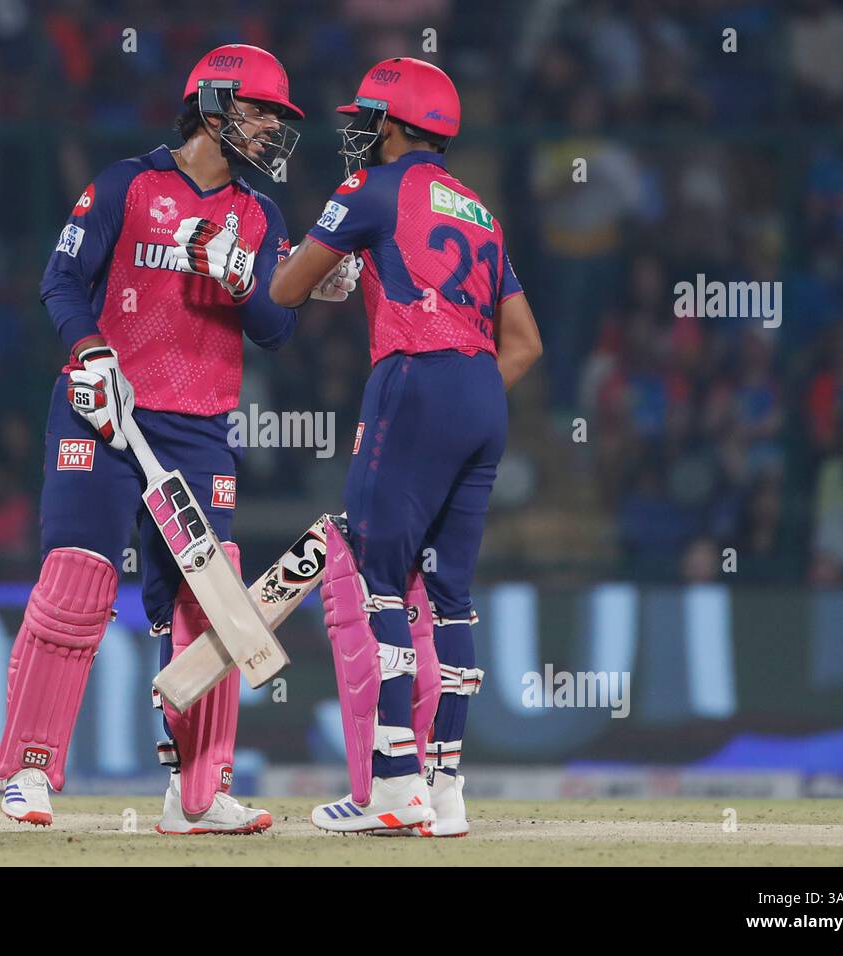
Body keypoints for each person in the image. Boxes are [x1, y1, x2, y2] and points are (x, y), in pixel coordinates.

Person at [0, 44, 348, 834]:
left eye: (277, 118)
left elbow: (278, 331)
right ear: (214, 106)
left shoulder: (259, 216)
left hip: (197, 429)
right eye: (259, 112)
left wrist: (242, 281)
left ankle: (197, 794)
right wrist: (90, 353)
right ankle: (29, 769)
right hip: (101, 408)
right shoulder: (128, 183)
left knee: (212, 609)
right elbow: (60, 280)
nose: (271, 130)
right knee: (80, 580)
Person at [269, 57, 543, 836]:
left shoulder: (370, 190)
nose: (359, 129)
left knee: (375, 579)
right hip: (481, 396)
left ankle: (393, 781)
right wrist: (467, 393)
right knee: (450, 595)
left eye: (368, 117)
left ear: (394, 123)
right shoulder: (481, 211)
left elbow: (287, 290)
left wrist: (307, 263)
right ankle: (446, 787)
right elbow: (524, 342)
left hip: (413, 378)